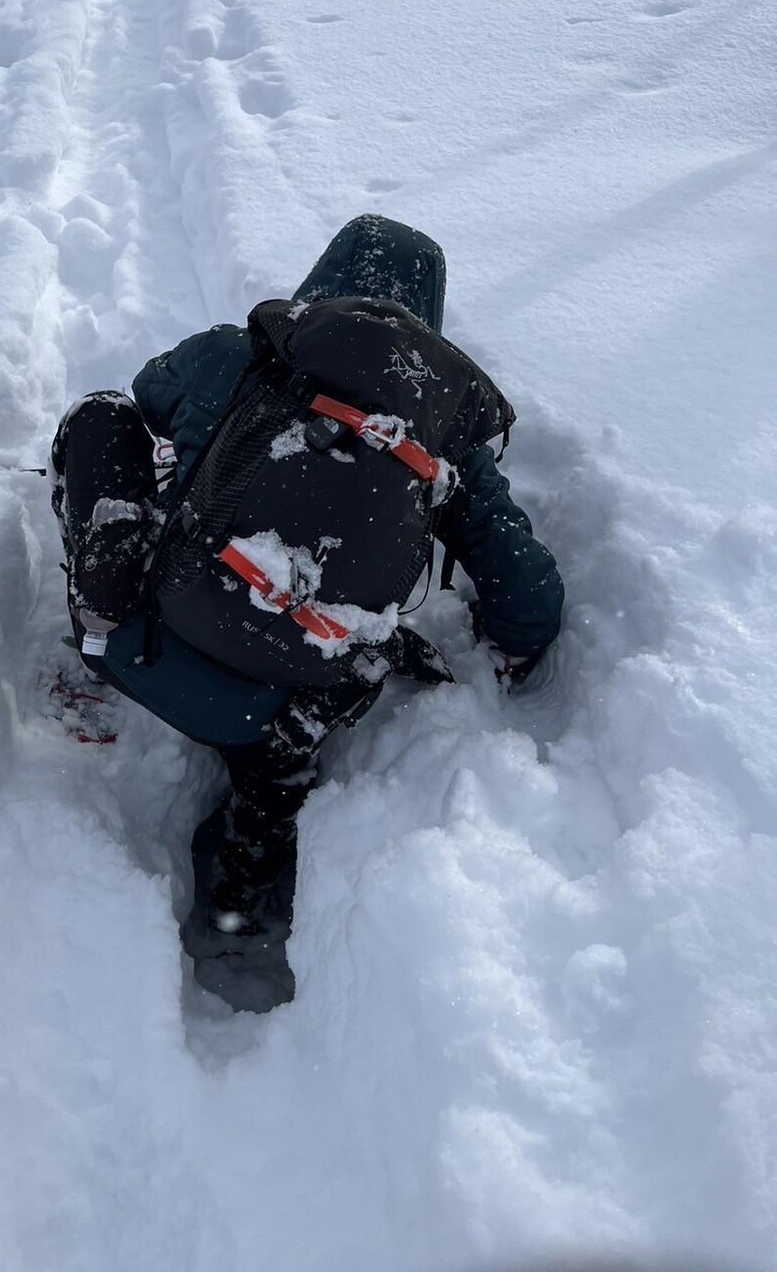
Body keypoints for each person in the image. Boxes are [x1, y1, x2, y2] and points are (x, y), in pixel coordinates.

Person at [49, 215, 563, 1013]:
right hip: (283, 699)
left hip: (154, 640)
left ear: (318, 285)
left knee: (98, 417)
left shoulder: (239, 352)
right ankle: (252, 863)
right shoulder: (437, 443)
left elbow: (144, 399)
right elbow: (527, 595)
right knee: (294, 712)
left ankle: (99, 611)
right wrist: (519, 648)